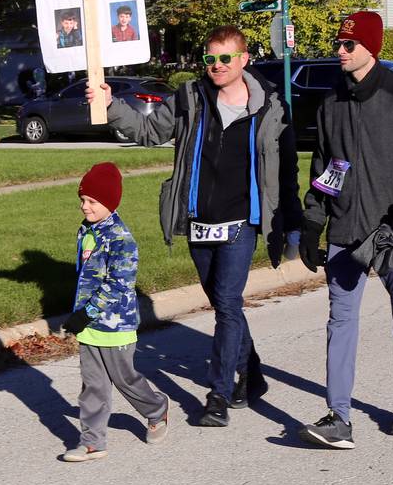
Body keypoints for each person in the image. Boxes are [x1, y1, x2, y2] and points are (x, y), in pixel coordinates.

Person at [86, 25, 302, 427]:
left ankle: (218, 395)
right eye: (209, 58)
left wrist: (293, 224)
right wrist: (111, 104)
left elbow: (285, 171)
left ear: (243, 59)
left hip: (241, 222)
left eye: (225, 58)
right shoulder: (190, 97)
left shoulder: (271, 106)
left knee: (228, 304)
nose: (216, 66)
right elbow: (149, 132)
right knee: (223, 303)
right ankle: (252, 374)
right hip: (198, 221)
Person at [296, 11, 393, 449]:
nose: (340, 51)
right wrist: (313, 220)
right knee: (340, 320)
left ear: (372, 48)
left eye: (349, 45)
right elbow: (326, 169)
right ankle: (338, 418)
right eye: (338, 43)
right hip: (347, 229)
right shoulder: (332, 103)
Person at [61, 162, 169, 462]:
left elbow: (119, 285)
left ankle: (156, 410)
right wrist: (80, 314)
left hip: (115, 325)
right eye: (82, 199)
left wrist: (86, 313)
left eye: (92, 201)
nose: (85, 206)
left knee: (124, 380)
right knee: (93, 386)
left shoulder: (122, 240)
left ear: (110, 202)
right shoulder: (86, 231)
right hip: (89, 325)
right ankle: (92, 442)